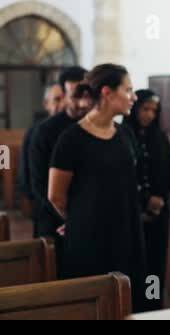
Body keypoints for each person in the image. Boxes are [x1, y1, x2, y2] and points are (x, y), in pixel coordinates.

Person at [48, 64, 147, 312]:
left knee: (124, 304)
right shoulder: (71, 139)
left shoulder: (125, 134)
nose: (133, 97)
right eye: (128, 90)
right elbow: (55, 196)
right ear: (107, 93)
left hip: (126, 232)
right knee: (91, 308)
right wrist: (80, 220)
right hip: (88, 238)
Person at [29, 67, 91, 269]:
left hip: (89, 220)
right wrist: (68, 218)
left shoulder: (96, 126)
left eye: (85, 93)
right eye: (75, 95)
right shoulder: (45, 131)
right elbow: (38, 183)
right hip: (53, 220)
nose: (81, 101)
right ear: (64, 95)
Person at [125, 89, 170, 311]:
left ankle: (153, 304)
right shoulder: (123, 134)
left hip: (158, 211)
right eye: (145, 109)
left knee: (155, 263)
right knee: (136, 263)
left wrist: (158, 196)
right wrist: (141, 201)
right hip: (131, 212)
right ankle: (134, 306)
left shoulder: (160, 136)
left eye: (154, 110)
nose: (149, 115)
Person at [18, 83, 64, 236]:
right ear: (46, 104)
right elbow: (27, 175)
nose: (62, 104)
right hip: (46, 210)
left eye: (65, 98)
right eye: (57, 99)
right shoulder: (38, 131)